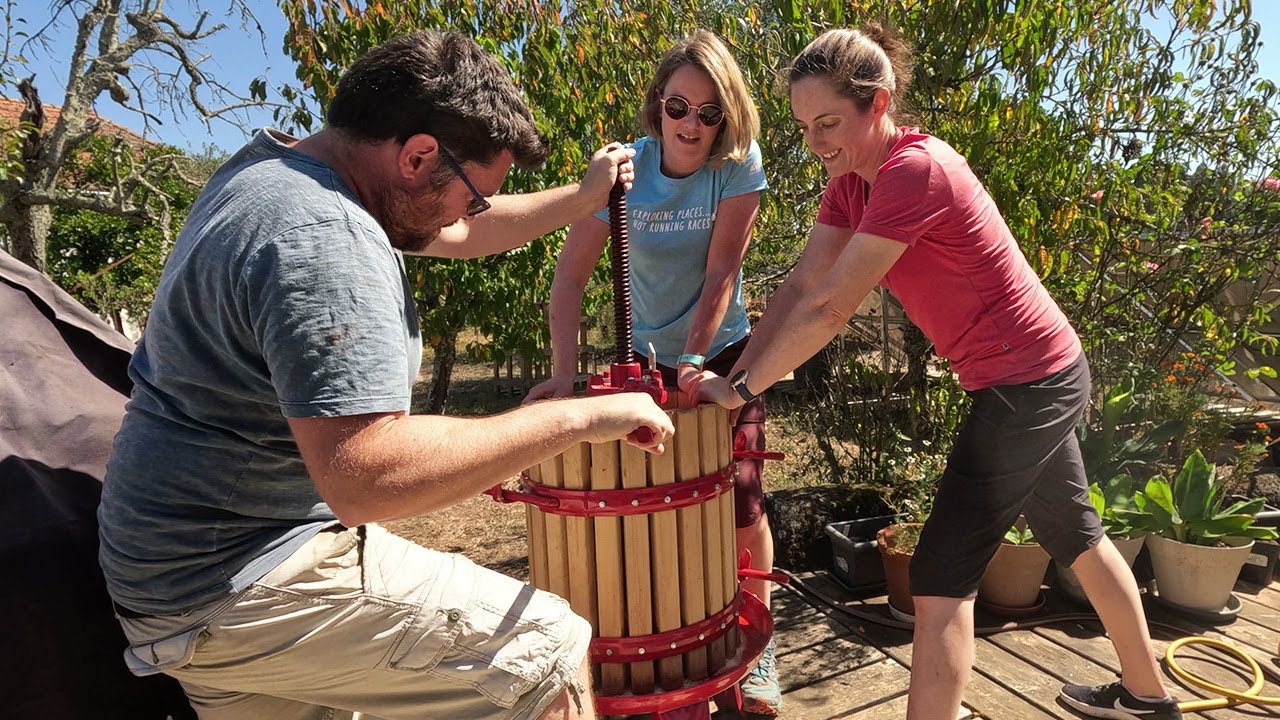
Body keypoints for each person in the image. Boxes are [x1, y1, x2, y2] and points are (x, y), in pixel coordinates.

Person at [97, 30, 675, 720]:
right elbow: (366, 476)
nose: (470, 213)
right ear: (417, 156)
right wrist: (583, 415)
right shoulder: (326, 237)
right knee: (545, 651)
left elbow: (464, 232)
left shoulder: (274, 174)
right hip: (244, 578)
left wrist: (584, 198)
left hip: (169, 574)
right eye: (474, 195)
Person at [692, 24, 1182, 720]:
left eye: (828, 123)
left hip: (1028, 382)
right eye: (803, 127)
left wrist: (741, 388)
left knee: (940, 578)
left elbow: (831, 307)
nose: (815, 142)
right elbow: (802, 286)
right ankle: (1147, 697)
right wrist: (735, 377)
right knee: (1076, 536)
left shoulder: (916, 170)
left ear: (878, 103)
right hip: (1033, 375)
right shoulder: (850, 186)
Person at [523, 30, 782, 715]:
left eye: (709, 112)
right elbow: (569, 279)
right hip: (644, 365)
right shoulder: (624, 173)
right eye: (678, 107)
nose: (691, 124)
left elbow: (723, 271)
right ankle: (669, 632)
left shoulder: (736, 165)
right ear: (657, 104)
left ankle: (758, 648)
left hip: (724, 354)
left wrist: (697, 361)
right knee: (654, 502)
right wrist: (563, 375)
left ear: (726, 118)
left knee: (741, 499)